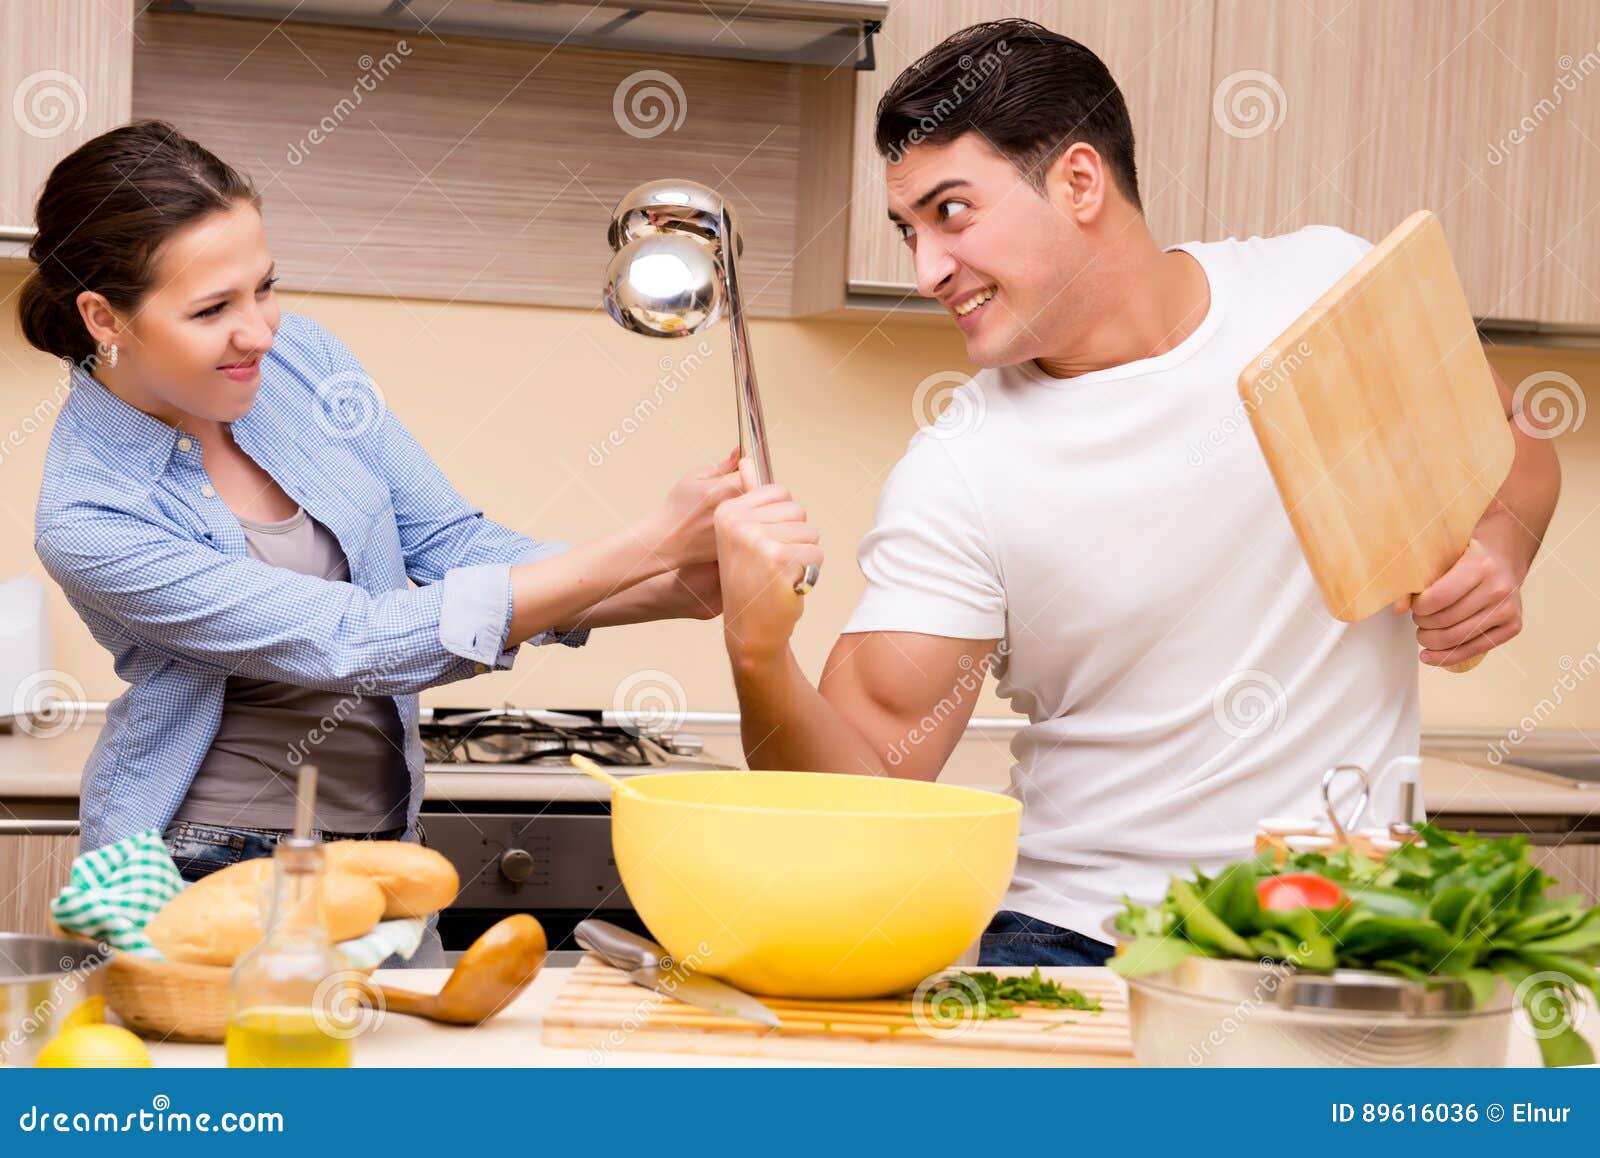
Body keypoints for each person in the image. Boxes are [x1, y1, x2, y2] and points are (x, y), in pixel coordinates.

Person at [711, 21, 1561, 967]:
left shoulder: (1323, 286)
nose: (928, 271)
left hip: (1357, 927)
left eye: (951, 213)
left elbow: (1515, 445)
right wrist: (757, 652)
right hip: (1082, 942)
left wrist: (1499, 552)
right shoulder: (962, 470)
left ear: (1079, 182)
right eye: (909, 232)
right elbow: (865, 791)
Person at [23, 121, 739, 965]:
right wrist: (651, 541)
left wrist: (676, 590)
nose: (258, 330)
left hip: (381, 848)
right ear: (104, 316)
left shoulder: (303, 361)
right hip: (203, 871)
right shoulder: (89, 515)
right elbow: (353, 639)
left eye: (264, 287)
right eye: (213, 310)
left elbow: (449, 541)